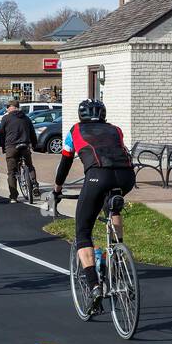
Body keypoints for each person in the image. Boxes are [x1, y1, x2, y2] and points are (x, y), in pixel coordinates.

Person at [52, 98, 133, 309]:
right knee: (112, 205)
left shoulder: (75, 131)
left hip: (98, 176)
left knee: (83, 231)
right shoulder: (116, 129)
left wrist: (57, 189)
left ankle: (94, 285)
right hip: (126, 177)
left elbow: (65, 162)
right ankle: (117, 249)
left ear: (81, 115)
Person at [0, 101, 38, 202]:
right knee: (29, 166)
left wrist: (3, 147)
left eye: (8, 107)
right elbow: (32, 132)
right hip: (25, 145)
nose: (7, 109)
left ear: (12, 107)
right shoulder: (26, 118)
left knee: (11, 172)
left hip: (11, 147)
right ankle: (34, 185)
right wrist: (34, 144)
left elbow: (2, 134)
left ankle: (13, 196)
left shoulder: (5, 118)